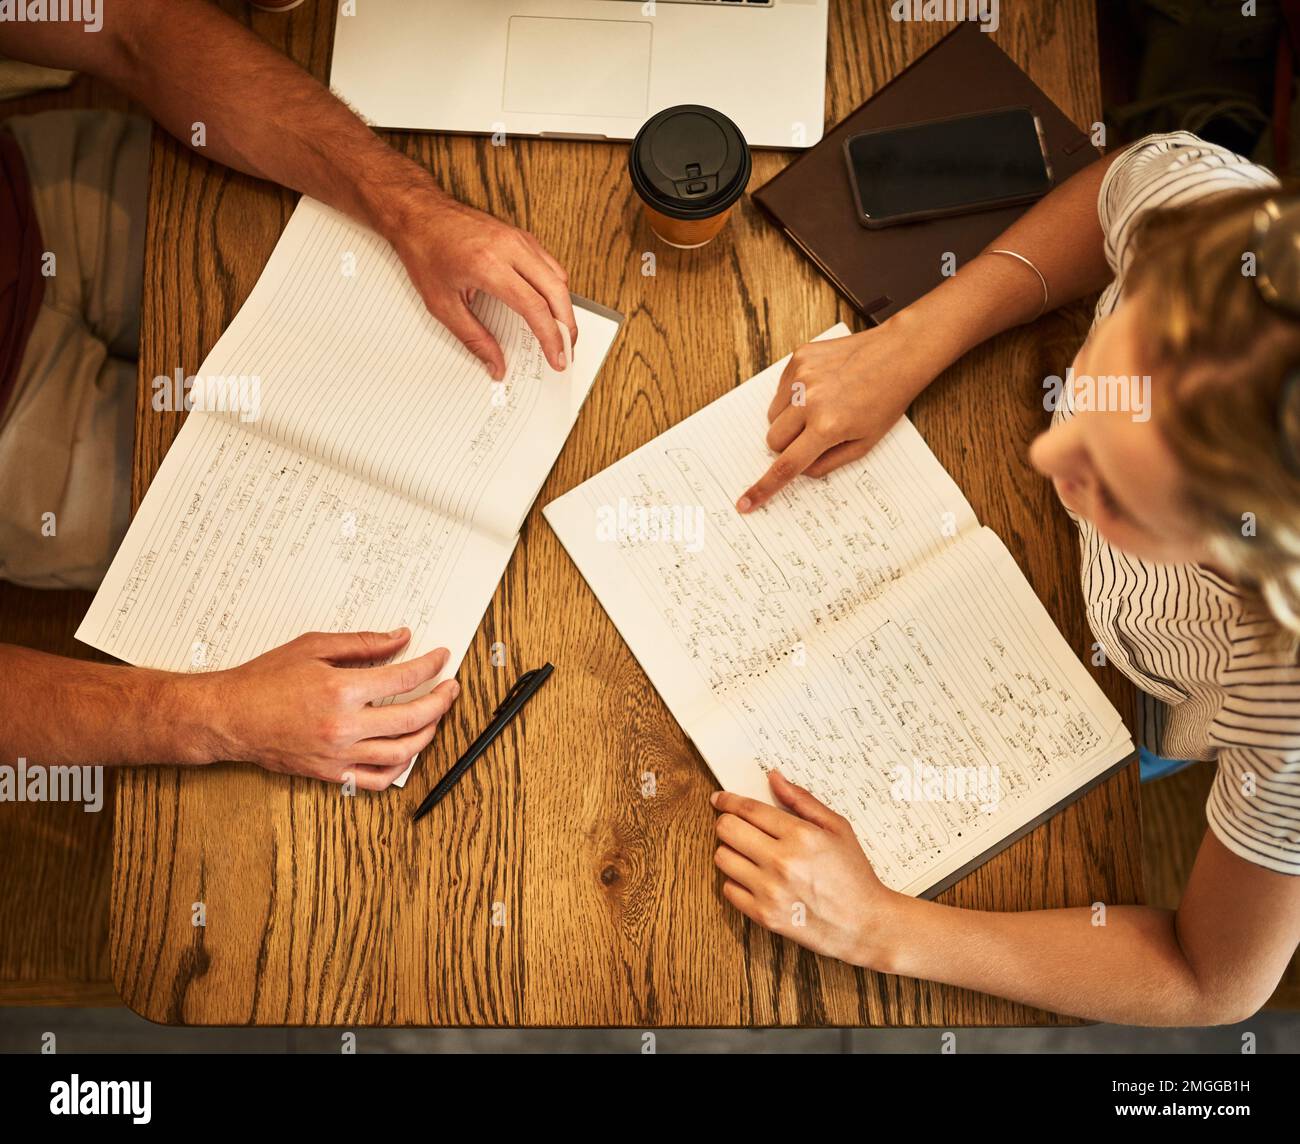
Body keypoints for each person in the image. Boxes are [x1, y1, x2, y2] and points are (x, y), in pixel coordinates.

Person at [713, 132, 1300, 1024]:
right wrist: (916, 337)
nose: (1050, 453)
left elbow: (1209, 979)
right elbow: (1119, 194)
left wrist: (882, 928)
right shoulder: (1221, 232)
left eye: (1115, 487)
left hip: (1153, 696)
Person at [0, 2, 578, 787]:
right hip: (17, 435)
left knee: (351, 286)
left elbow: (129, 26)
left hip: (34, 195)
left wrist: (408, 207)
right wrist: (214, 718)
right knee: (247, 582)